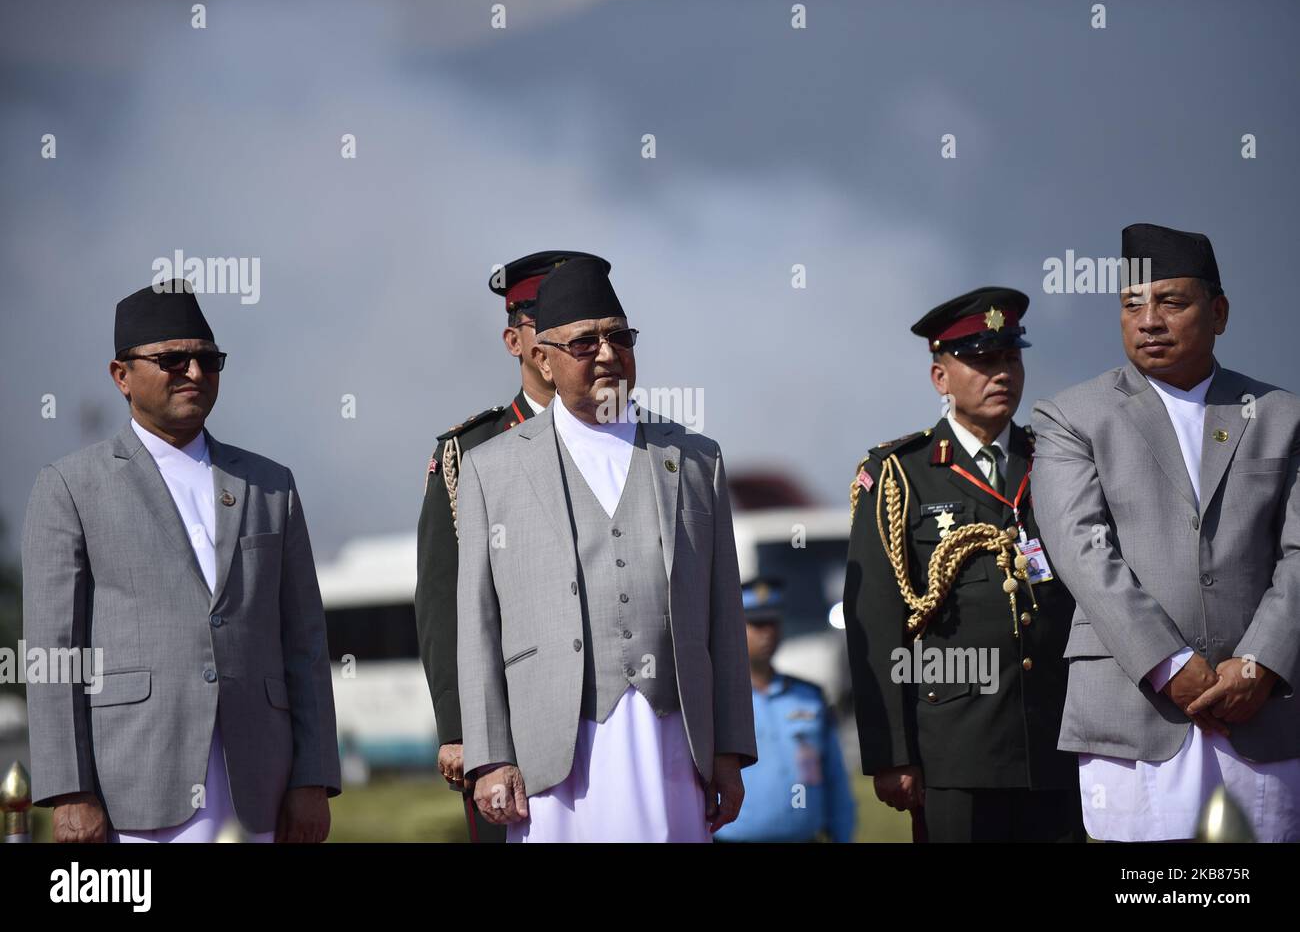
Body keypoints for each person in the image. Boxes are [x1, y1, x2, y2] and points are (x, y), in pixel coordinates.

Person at [22, 280, 340, 843]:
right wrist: (69, 790)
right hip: (134, 786)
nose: (194, 372)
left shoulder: (270, 485)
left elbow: (306, 643)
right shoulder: (71, 486)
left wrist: (312, 778)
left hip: (260, 785)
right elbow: (53, 652)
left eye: (208, 359)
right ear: (122, 376)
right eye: (173, 360)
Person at [456, 256, 757, 841]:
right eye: (584, 342)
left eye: (620, 337)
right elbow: (477, 623)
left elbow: (725, 615)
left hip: (672, 737)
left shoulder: (694, 459)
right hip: (554, 747)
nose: (606, 353)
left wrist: (729, 751)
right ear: (541, 357)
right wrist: (491, 756)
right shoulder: (492, 467)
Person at [1031, 223, 1300, 842]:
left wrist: (1258, 665)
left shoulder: (1283, 416)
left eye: (1170, 302)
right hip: (1136, 710)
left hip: (1260, 714)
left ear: (1220, 312)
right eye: (1132, 305)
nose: (1148, 320)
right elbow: (1081, 551)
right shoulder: (1072, 416)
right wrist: (1169, 663)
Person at [843, 287, 1083, 842]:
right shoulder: (899, 475)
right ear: (940, 378)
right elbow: (876, 626)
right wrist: (891, 753)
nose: (1001, 373)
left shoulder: (1058, 460)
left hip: (1055, 739)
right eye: (980, 360)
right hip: (954, 749)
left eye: (1010, 357)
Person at [414, 250, 600, 842]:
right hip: (514, 715)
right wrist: (460, 725)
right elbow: (445, 599)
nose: (557, 344)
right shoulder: (468, 454)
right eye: (540, 328)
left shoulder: (628, 437)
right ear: (515, 341)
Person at [715, 579, 855, 842]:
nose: (767, 633)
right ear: (734, 628)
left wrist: (842, 834)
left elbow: (835, 776)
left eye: (772, 623)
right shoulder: (717, 700)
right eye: (756, 624)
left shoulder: (809, 696)